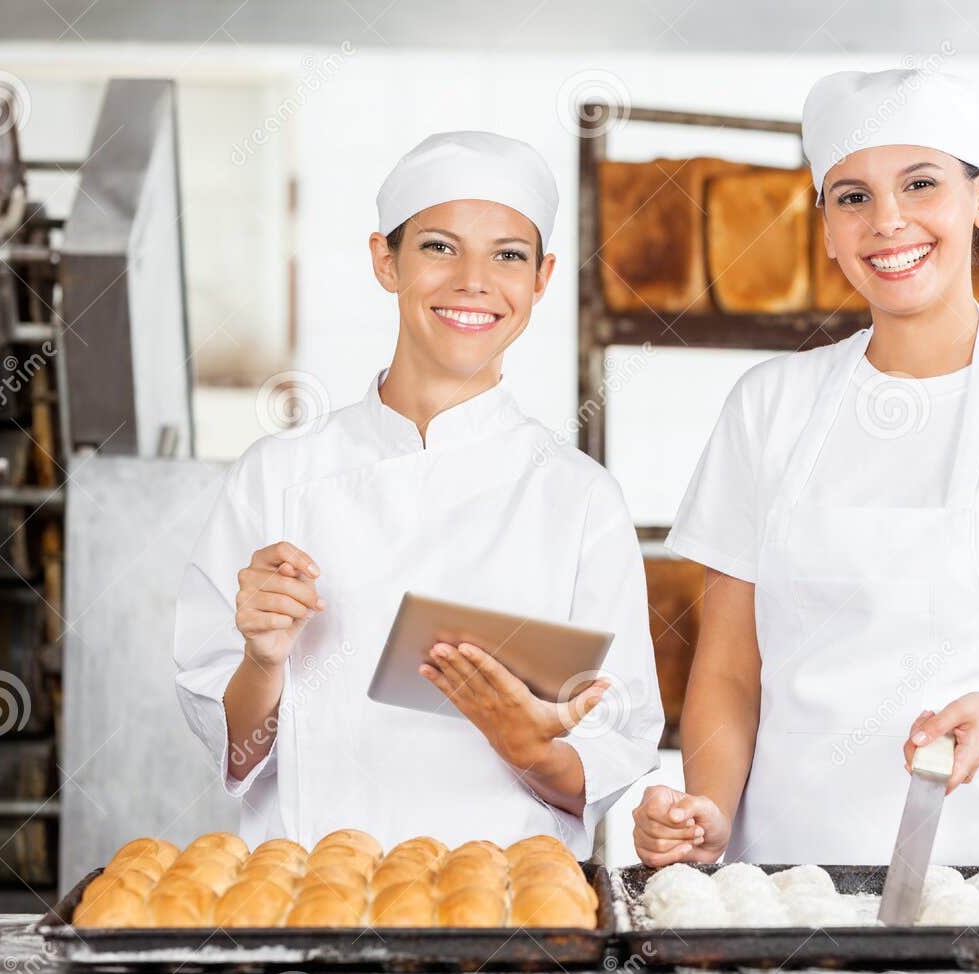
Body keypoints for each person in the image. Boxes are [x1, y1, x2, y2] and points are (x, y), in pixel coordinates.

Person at [633, 70, 979, 867]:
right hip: (780, 888)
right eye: (852, 197)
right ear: (824, 226)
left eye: (920, 185)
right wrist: (706, 811)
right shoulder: (768, 407)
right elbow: (728, 671)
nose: (888, 222)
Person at [174, 130, 662, 853]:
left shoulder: (581, 498)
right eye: (439, 246)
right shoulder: (276, 477)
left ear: (542, 278)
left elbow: (610, 752)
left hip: (506, 914)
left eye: (508, 255)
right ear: (385, 261)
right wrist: (263, 660)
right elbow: (239, 752)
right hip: (313, 902)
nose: (474, 280)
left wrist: (530, 746)